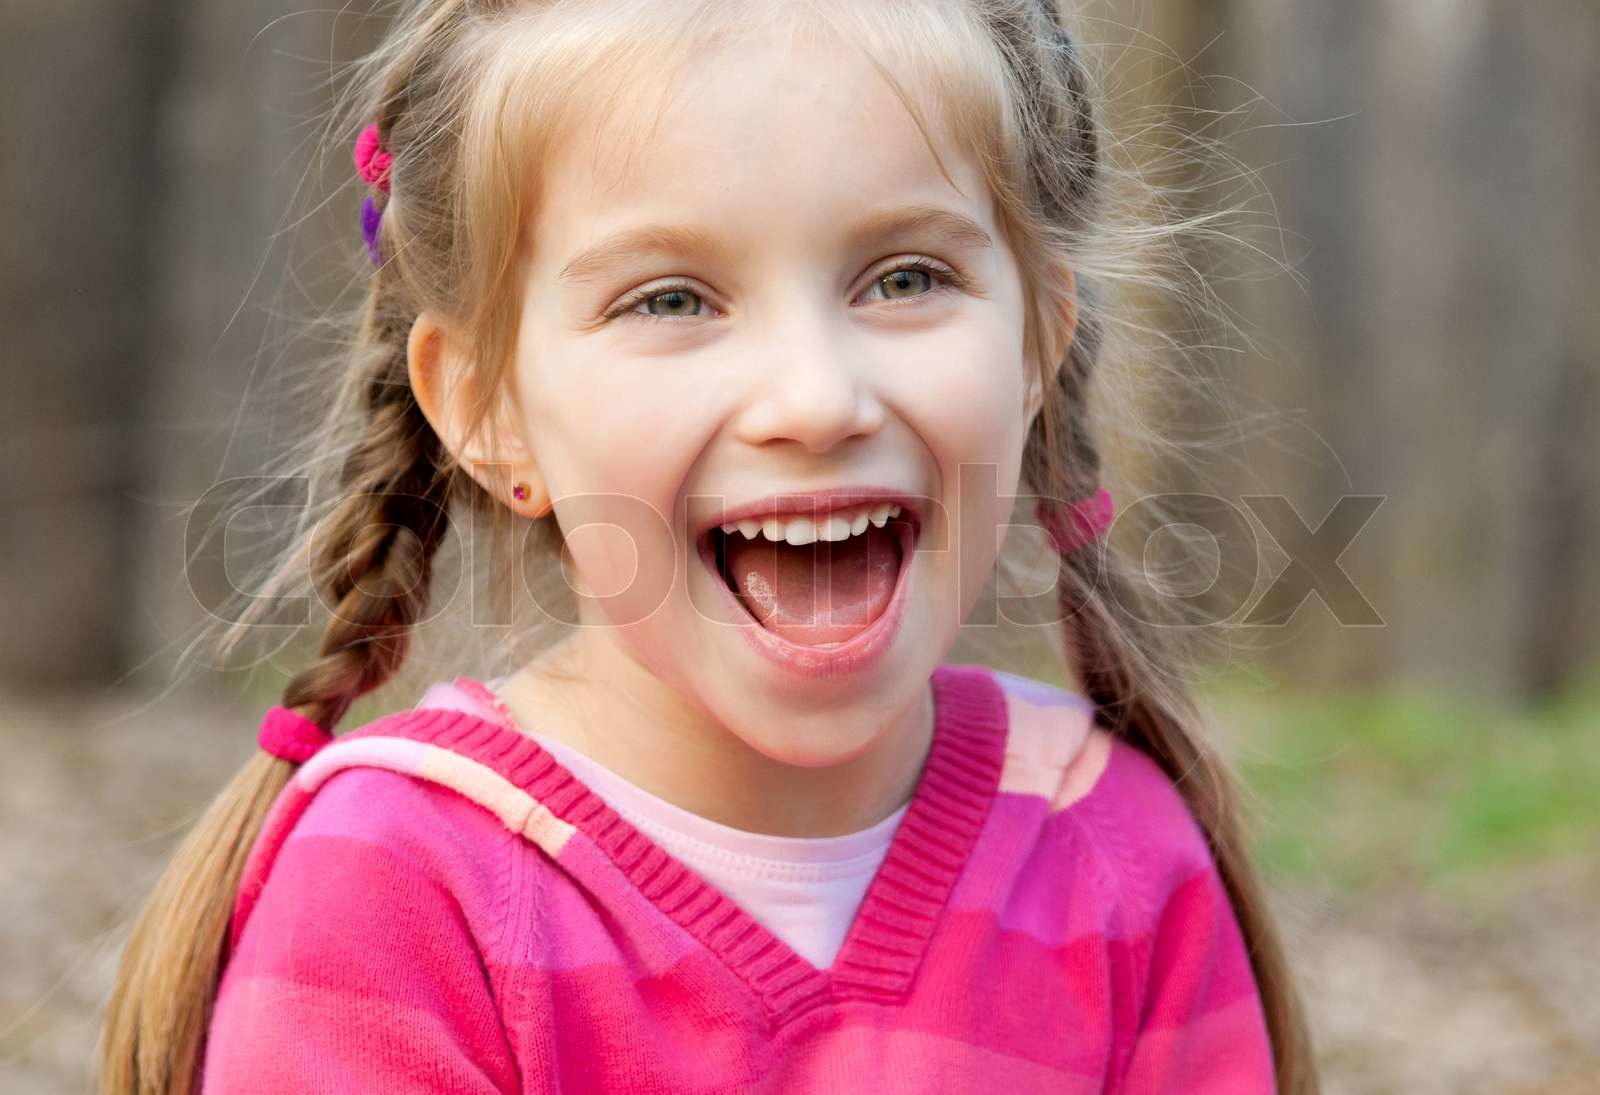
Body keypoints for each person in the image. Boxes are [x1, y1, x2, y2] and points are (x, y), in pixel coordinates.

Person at [98, 1, 1318, 1091]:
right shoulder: (401, 892)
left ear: (1037, 341)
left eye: (904, 277)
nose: (816, 399)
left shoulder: (1107, 845)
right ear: (484, 406)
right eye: (670, 300)